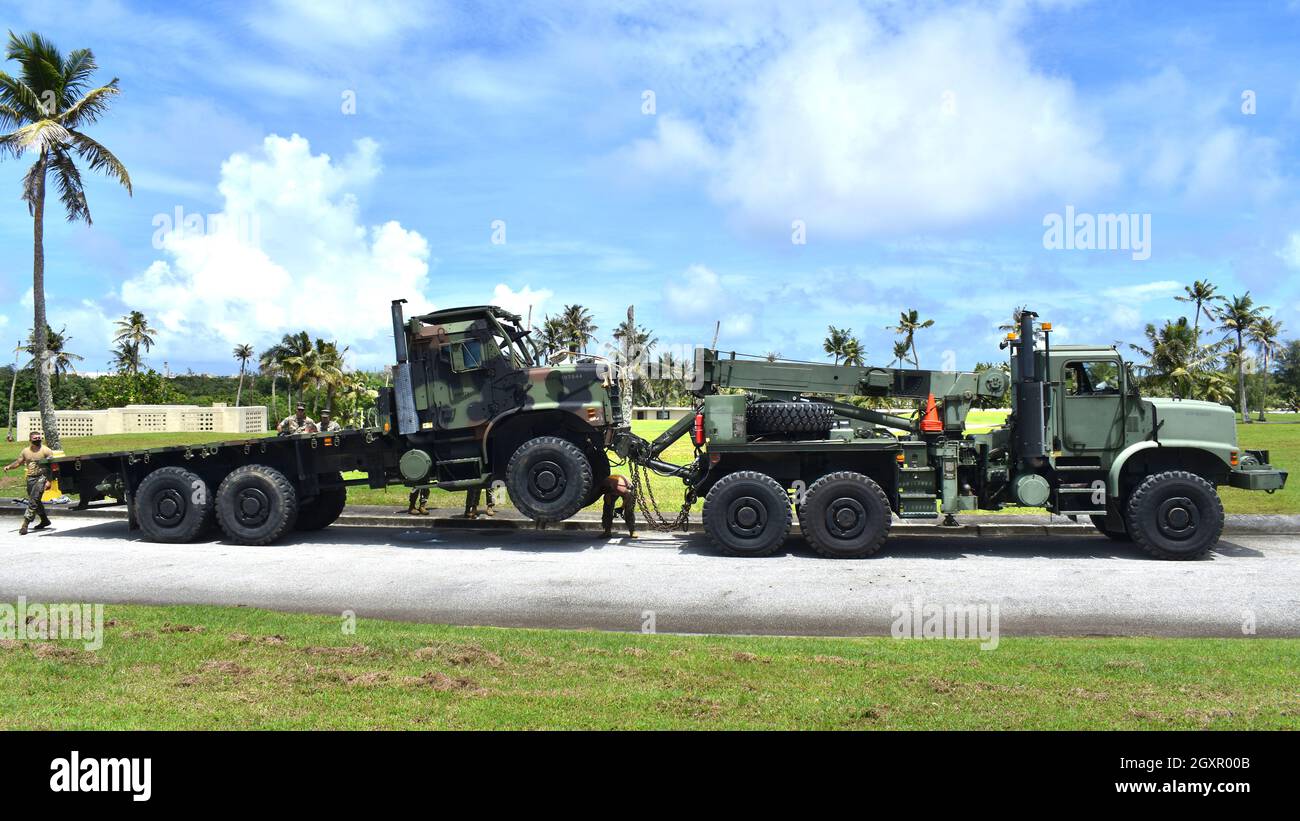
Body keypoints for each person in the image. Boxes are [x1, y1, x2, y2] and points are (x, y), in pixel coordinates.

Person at [4, 430, 55, 535]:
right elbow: (18, 462)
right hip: (30, 478)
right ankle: (45, 520)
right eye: (35, 438)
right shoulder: (25, 451)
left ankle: (25, 524)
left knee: (33, 500)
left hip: (42, 477)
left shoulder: (46, 451)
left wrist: (49, 481)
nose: (38, 439)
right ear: (30, 440)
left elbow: (52, 467)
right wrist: (9, 466)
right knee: (36, 501)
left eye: (39, 437)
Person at [601, 474, 635, 538]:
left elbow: (627, 497)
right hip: (611, 486)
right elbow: (608, 500)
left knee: (629, 510)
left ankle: (632, 531)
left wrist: (621, 508)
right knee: (607, 509)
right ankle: (607, 531)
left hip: (627, 489)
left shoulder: (621, 489)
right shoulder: (604, 486)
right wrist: (611, 510)